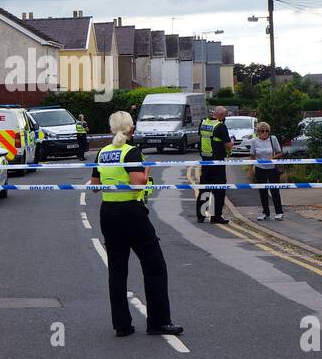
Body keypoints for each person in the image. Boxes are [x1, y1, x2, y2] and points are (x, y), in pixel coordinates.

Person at [90, 111, 182, 337]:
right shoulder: (131, 152)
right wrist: (147, 170)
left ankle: (122, 325)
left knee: (117, 270)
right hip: (131, 213)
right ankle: (159, 322)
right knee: (155, 266)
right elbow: (137, 184)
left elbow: (94, 185)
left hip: (108, 214)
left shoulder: (103, 153)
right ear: (131, 129)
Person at [196, 106, 233, 224]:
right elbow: (228, 145)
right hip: (217, 162)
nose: (225, 118)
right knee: (219, 190)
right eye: (225, 116)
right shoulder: (220, 127)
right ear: (221, 115)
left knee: (205, 188)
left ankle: (201, 215)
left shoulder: (204, 123)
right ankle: (216, 216)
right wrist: (232, 141)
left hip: (206, 160)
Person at [246, 121, 284, 221]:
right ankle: (265, 212)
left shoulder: (273, 139)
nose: (265, 132)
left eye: (267, 131)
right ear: (258, 131)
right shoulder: (254, 141)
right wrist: (250, 169)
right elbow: (252, 156)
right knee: (262, 191)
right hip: (260, 168)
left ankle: (279, 212)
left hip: (272, 168)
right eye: (262, 130)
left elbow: (280, 153)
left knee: (274, 190)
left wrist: (273, 157)